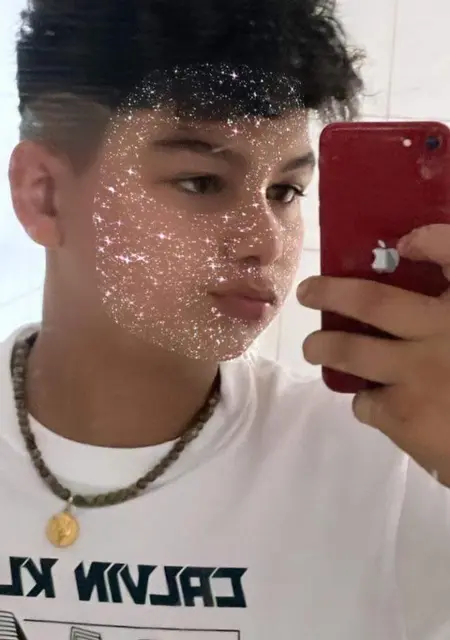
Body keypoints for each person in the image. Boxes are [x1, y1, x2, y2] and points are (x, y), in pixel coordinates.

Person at [1, 0, 450, 638]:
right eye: (202, 183)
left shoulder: (391, 461)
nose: (265, 241)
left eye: (284, 192)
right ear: (44, 195)